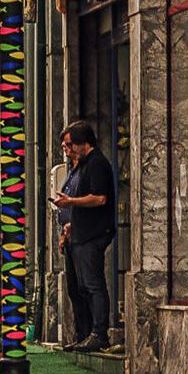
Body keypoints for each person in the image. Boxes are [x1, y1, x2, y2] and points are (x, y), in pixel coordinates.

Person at [54, 120, 118, 353]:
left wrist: (71, 202)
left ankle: (99, 333)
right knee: (79, 287)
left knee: (93, 284)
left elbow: (100, 198)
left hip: (93, 234)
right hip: (78, 234)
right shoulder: (79, 166)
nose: (67, 149)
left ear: (83, 143)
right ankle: (85, 333)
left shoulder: (97, 164)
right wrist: (69, 227)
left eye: (70, 144)